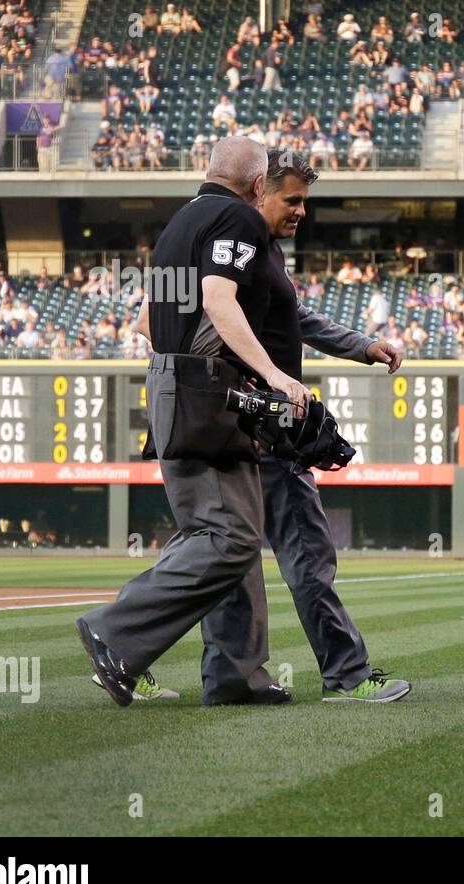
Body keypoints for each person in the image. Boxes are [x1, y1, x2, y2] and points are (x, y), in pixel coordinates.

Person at [125, 148, 412, 704]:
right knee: (302, 555)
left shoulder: (214, 237)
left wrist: (358, 346)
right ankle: (348, 676)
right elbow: (188, 312)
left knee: (216, 553)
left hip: (221, 421)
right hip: (260, 426)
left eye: (306, 200)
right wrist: (260, 378)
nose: (302, 210)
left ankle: (216, 678)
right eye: (292, 198)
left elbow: (151, 320)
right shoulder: (240, 236)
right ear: (260, 189)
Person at [76, 137, 312, 708]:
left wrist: (178, 375)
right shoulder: (236, 216)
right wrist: (271, 375)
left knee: (230, 533)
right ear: (259, 185)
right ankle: (116, 631)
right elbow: (219, 300)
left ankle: (237, 676)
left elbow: (146, 324)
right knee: (229, 538)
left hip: (172, 387)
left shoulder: (179, 225)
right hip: (205, 395)